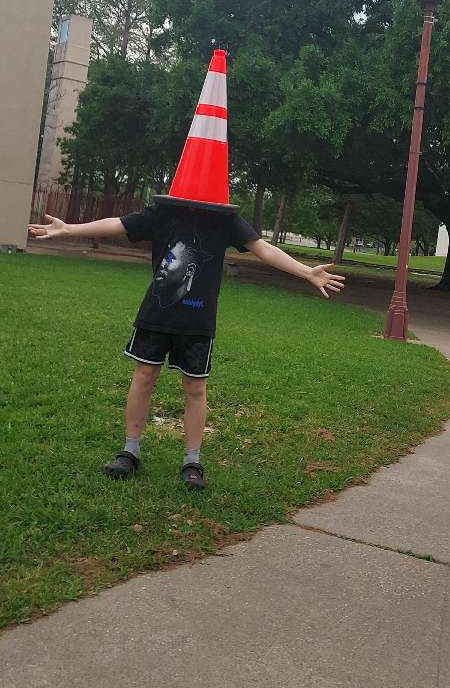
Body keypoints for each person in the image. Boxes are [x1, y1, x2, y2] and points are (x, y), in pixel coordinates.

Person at [28, 207, 345, 489]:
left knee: (195, 388)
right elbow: (118, 224)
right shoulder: (163, 212)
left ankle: (192, 461)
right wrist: (69, 229)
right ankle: (130, 451)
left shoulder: (226, 219)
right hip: (155, 315)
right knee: (143, 376)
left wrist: (306, 272)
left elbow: (263, 249)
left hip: (198, 322)